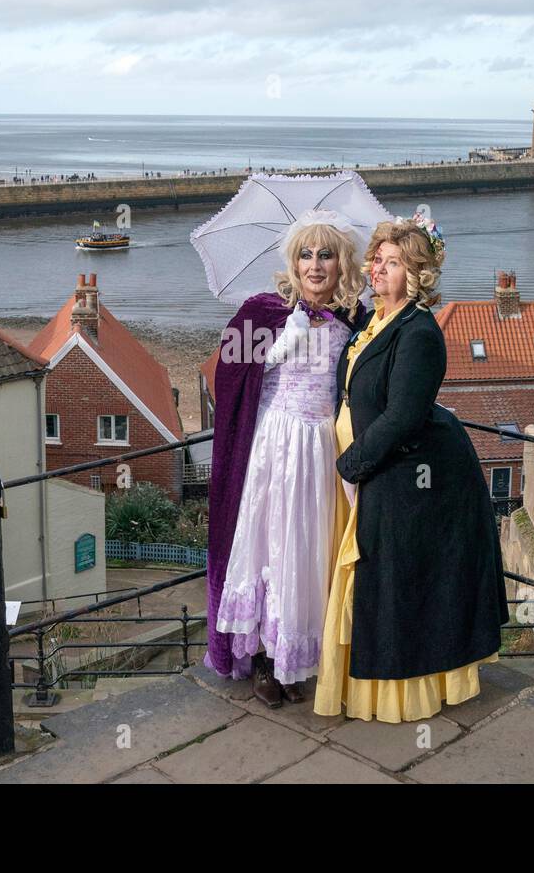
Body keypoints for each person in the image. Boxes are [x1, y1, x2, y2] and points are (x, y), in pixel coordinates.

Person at [313, 214, 511, 723]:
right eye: (376, 258)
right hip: (370, 471)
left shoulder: (419, 333)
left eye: (393, 261)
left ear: (417, 273)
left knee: (392, 583)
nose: (378, 267)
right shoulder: (371, 320)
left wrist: (349, 465)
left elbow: (403, 416)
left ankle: (401, 694)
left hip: (403, 475)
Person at [205, 210, 369, 707]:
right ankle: (258, 662)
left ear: (342, 265)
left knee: (305, 554)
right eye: (305, 254)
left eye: (326, 255)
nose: (315, 265)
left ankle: (290, 661)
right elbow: (227, 373)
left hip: (321, 449)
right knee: (268, 547)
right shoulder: (264, 310)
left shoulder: (354, 318)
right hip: (274, 447)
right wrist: (283, 339)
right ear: (292, 262)